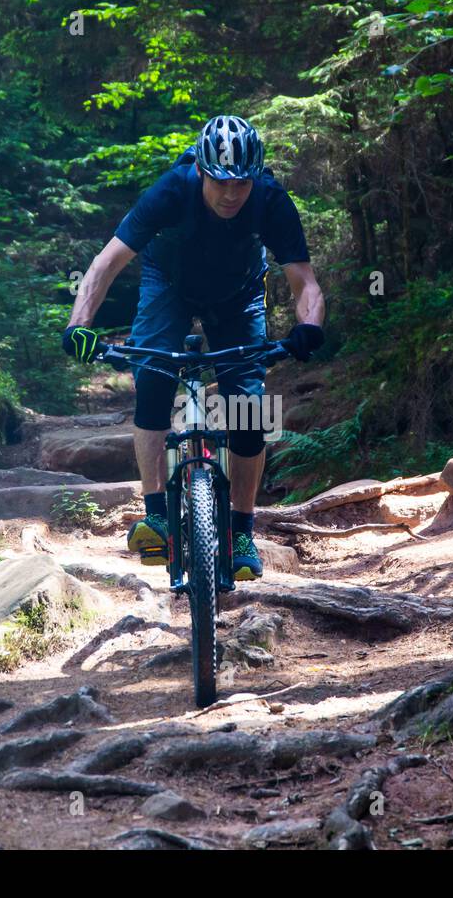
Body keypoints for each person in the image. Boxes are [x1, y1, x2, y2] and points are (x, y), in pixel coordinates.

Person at [61, 115, 326, 580]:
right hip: (169, 284)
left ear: (255, 177)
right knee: (154, 381)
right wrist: (79, 324)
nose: (230, 194)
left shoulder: (270, 200)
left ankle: (241, 531)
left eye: (241, 183)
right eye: (220, 181)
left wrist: (309, 326)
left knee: (249, 406)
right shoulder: (170, 191)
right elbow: (105, 264)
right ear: (201, 171)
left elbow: (304, 281)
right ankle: (158, 515)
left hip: (239, 293)